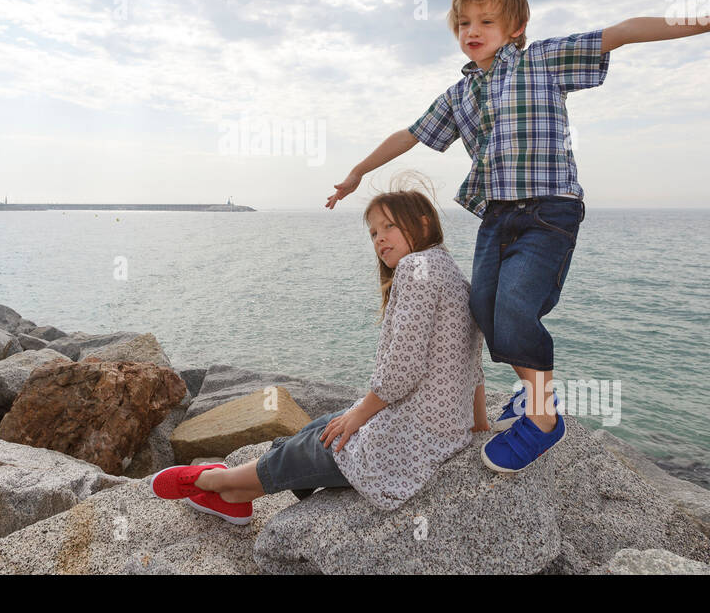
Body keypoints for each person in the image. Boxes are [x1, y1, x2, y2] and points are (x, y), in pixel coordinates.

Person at [327, 0, 710, 473]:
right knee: (483, 312)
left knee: (514, 310)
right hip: (497, 215)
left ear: (516, 26)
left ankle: (545, 419)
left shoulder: (544, 61)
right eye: (463, 23)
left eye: (486, 20)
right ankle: (528, 398)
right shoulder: (459, 96)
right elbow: (411, 134)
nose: (472, 31)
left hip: (549, 211)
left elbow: (627, 30)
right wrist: (358, 171)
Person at [149, 188, 489, 523]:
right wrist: (478, 424)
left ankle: (216, 481)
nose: (379, 239)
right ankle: (239, 496)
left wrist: (360, 417)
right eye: (373, 232)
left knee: (329, 441)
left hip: (413, 437)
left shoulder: (415, 269)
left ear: (424, 225)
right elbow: (472, 362)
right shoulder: (450, 273)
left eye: (389, 227)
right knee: (324, 426)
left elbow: (403, 368)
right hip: (438, 427)